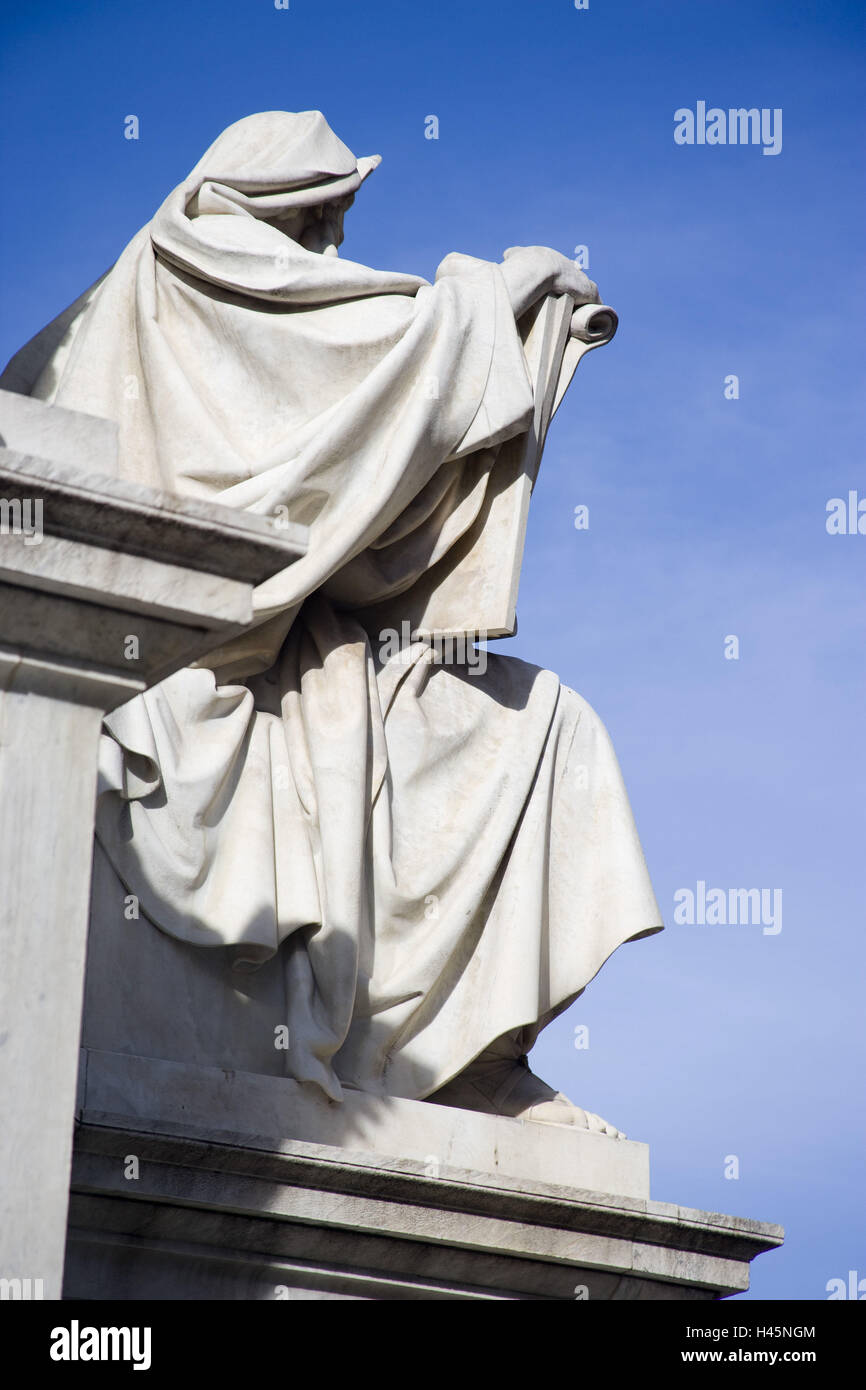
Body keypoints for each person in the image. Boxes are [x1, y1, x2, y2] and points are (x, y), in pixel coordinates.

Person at [1, 111, 662, 1133]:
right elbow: (380, 382)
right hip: (182, 653)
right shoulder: (204, 262)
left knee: (541, 724)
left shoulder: (231, 284)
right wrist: (501, 291)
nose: (333, 252)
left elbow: (353, 486)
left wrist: (504, 333)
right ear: (267, 202)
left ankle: (470, 1055)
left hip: (290, 633)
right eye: (325, 219)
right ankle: (435, 1056)